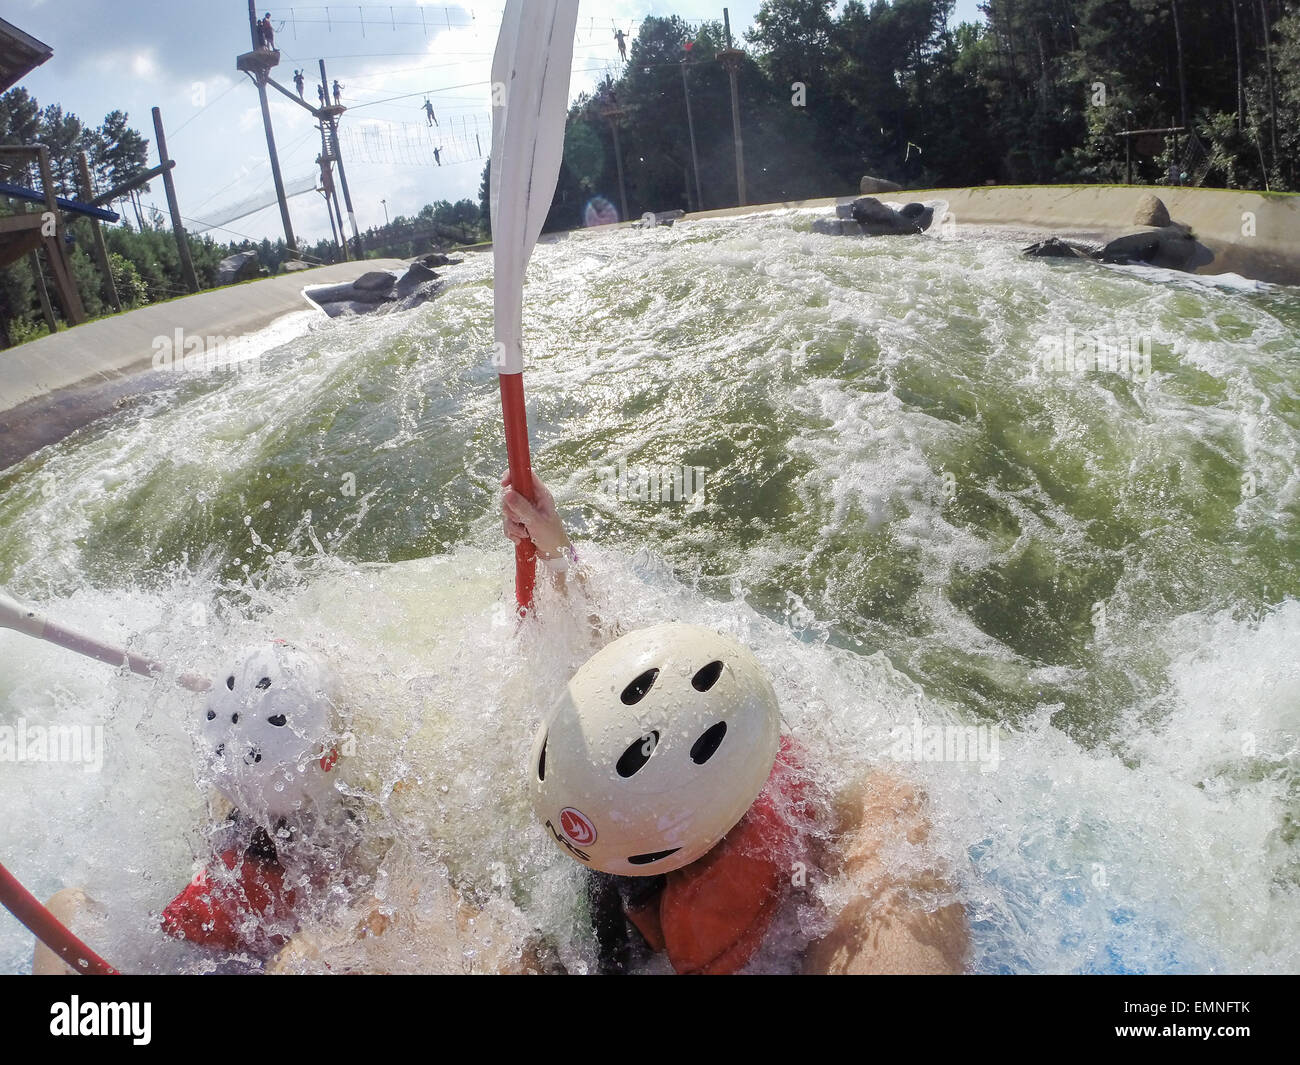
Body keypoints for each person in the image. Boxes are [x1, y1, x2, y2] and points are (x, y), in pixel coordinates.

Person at [503, 471, 971, 974]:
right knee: (895, 798)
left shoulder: (601, 830)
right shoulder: (795, 824)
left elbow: (615, 677)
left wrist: (557, 554)